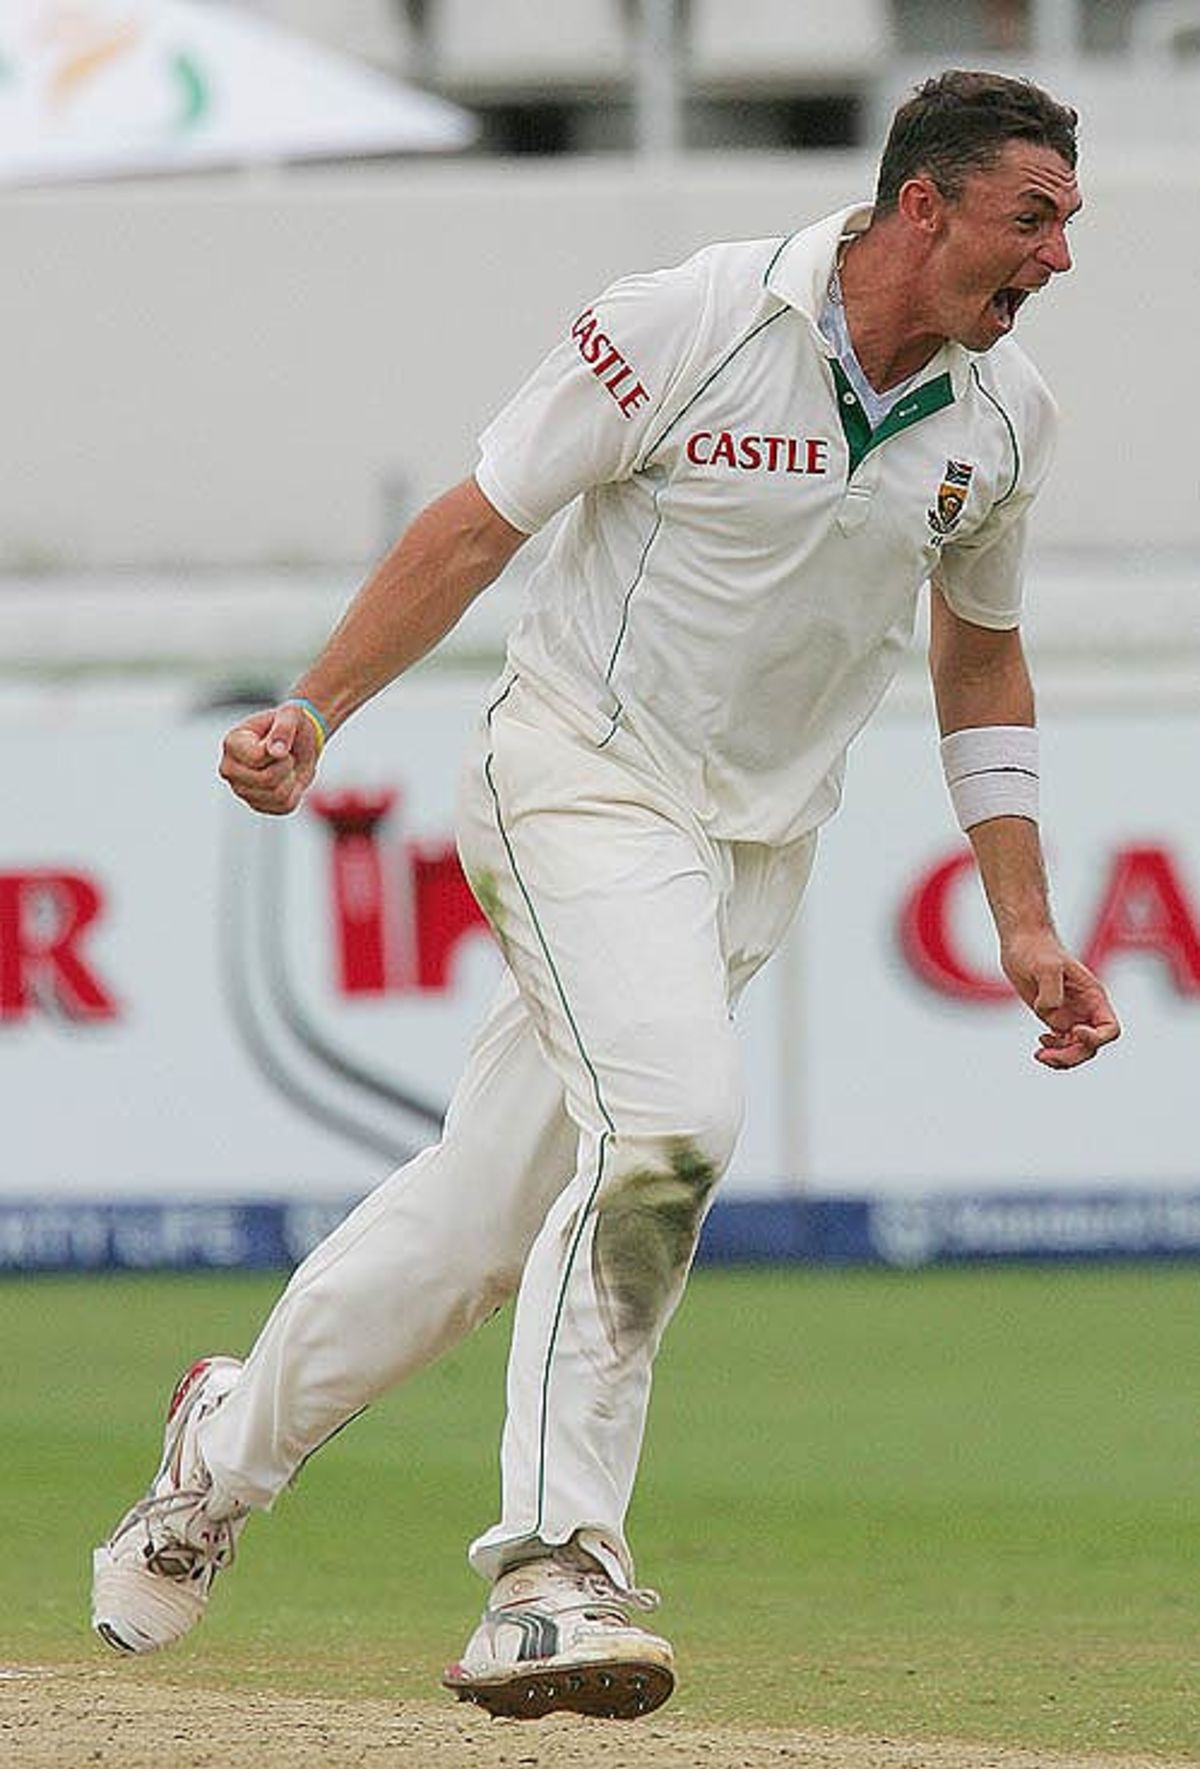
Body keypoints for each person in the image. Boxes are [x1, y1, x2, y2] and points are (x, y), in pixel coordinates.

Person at [91, 68, 1121, 1721]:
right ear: (921, 205)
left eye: (1071, 223)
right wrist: (319, 707)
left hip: (744, 853)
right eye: (1036, 218)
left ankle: (217, 1450)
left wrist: (1021, 915)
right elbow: (481, 520)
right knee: (669, 1132)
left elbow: (981, 655)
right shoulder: (691, 317)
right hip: (573, 779)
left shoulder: (1005, 420)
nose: (1061, 257)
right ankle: (553, 1564)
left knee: (481, 1217)